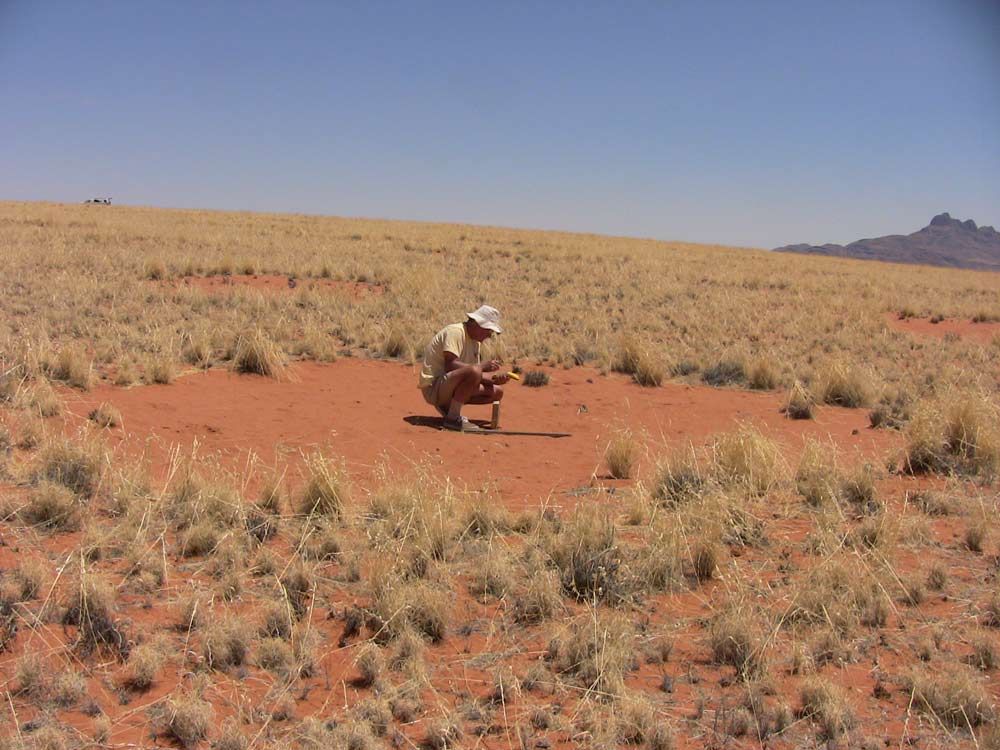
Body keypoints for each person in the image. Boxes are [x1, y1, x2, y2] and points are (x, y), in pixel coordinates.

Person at [418, 305, 509, 431]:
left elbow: (472, 376)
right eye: (488, 331)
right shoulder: (455, 332)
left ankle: (449, 408)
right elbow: (450, 365)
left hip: (449, 385)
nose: (489, 335)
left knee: (497, 392)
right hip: (434, 388)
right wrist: (482, 366)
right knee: (475, 370)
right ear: (478, 324)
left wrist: (494, 379)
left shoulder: (475, 342)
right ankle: (452, 418)